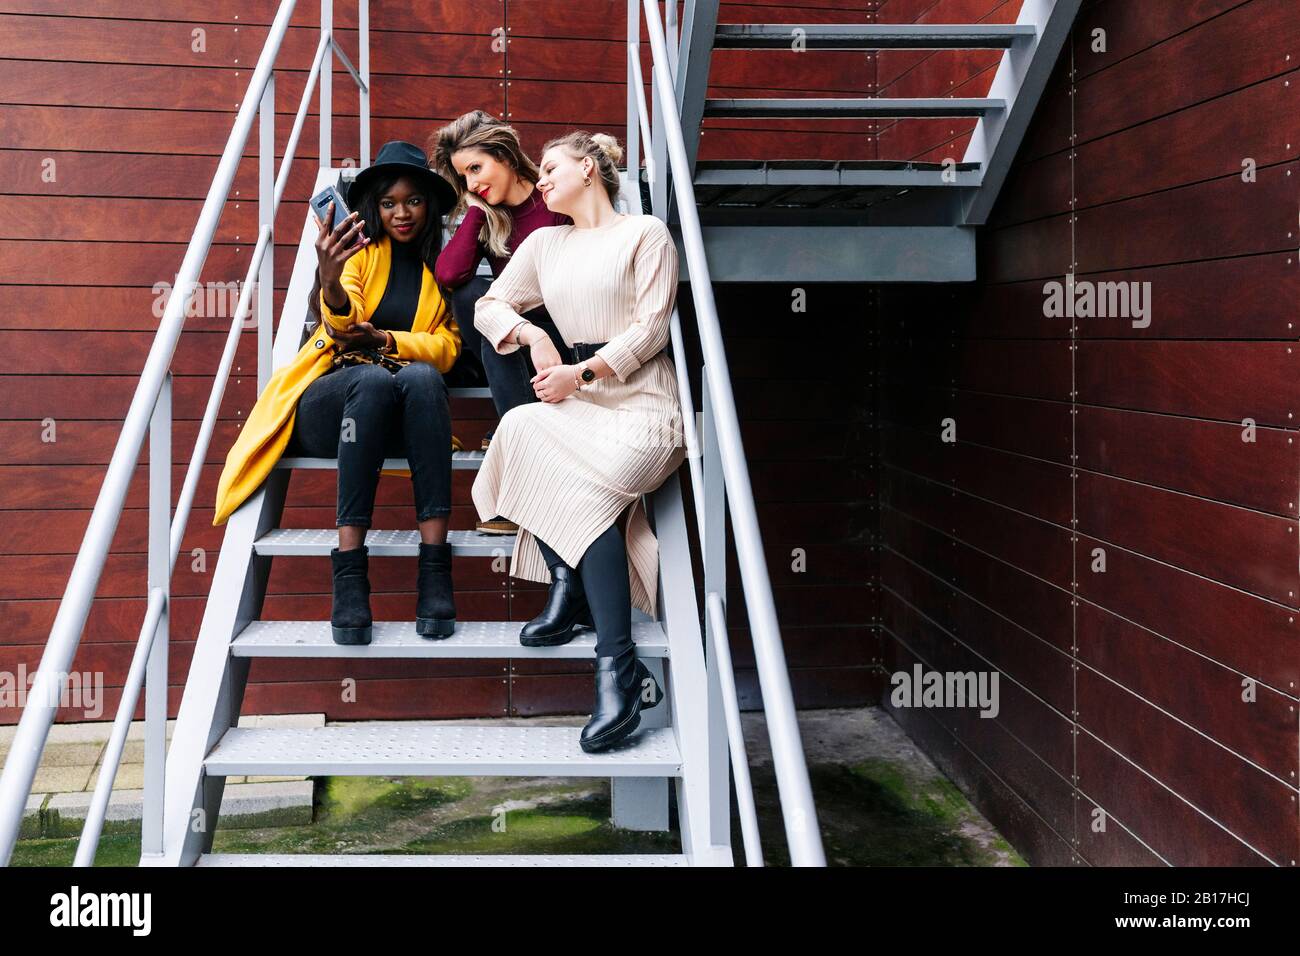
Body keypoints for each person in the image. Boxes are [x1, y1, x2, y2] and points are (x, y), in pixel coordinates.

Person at [470, 130, 686, 753]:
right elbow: (487, 305)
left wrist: (581, 372)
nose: (538, 181)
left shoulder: (645, 234)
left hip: (643, 406)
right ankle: (613, 663)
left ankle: (609, 657)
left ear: (589, 170)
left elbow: (652, 328)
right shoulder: (543, 243)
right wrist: (533, 338)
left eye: (550, 168)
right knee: (519, 426)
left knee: (587, 484)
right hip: (577, 401)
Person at [213, 140, 464, 646]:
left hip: (396, 410)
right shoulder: (357, 253)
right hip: (331, 404)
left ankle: (434, 573)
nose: (401, 212)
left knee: (421, 377)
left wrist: (389, 339)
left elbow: (447, 348)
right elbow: (341, 320)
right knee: (371, 380)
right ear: (374, 205)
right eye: (389, 202)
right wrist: (328, 280)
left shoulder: (437, 278)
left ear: (429, 207)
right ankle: (349, 576)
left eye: (413, 201)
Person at [429, 110, 572, 535]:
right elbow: (449, 276)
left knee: (491, 310)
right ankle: (523, 448)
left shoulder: (553, 201)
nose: (471, 183)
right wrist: (474, 211)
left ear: (505, 155)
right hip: (516, 340)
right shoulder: (491, 215)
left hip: (564, 340)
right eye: (463, 177)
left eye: (477, 168)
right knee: (472, 295)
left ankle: (522, 479)